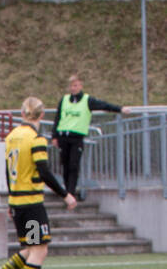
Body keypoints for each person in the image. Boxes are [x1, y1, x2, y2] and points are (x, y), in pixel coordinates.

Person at [0, 96, 76, 269]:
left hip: (17, 203)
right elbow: (43, 171)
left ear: (22, 114)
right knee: (40, 250)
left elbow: (7, 171)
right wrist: (65, 195)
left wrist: (10, 197)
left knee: (29, 250)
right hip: (31, 204)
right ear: (41, 115)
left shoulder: (12, 136)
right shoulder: (36, 138)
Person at [51, 73, 130, 201]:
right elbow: (57, 118)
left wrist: (120, 109)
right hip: (63, 136)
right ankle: (66, 191)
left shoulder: (87, 100)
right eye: (71, 86)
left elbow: (104, 105)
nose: (73, 88)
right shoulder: (64, 100)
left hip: (77, 137)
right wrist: (54, 136)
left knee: (73, 165)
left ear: (81, 86)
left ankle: (70, 192)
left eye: (76, 85)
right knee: (65, 164)